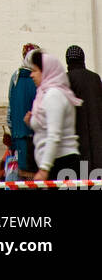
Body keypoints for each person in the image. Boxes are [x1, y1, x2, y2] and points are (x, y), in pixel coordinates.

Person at [27, 49, 82, 181]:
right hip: (54, 163)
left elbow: (54, 135)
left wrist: (44, 168)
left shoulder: (54, 95)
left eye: (35, 71)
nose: (31, 75)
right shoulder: (44, 95)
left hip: (61, 164)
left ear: (46, 72)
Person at [66, 44, 102, 173]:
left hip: (77, 135)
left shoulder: (66, 79)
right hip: (97, 133)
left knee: (81, 175)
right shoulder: (95, 78)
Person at [5, 42, 39, 177]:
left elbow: (10, 111)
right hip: (35, 136)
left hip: (18, 136)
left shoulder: (16, 77)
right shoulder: (38, 77)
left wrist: (13, 132)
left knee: (20, 175)